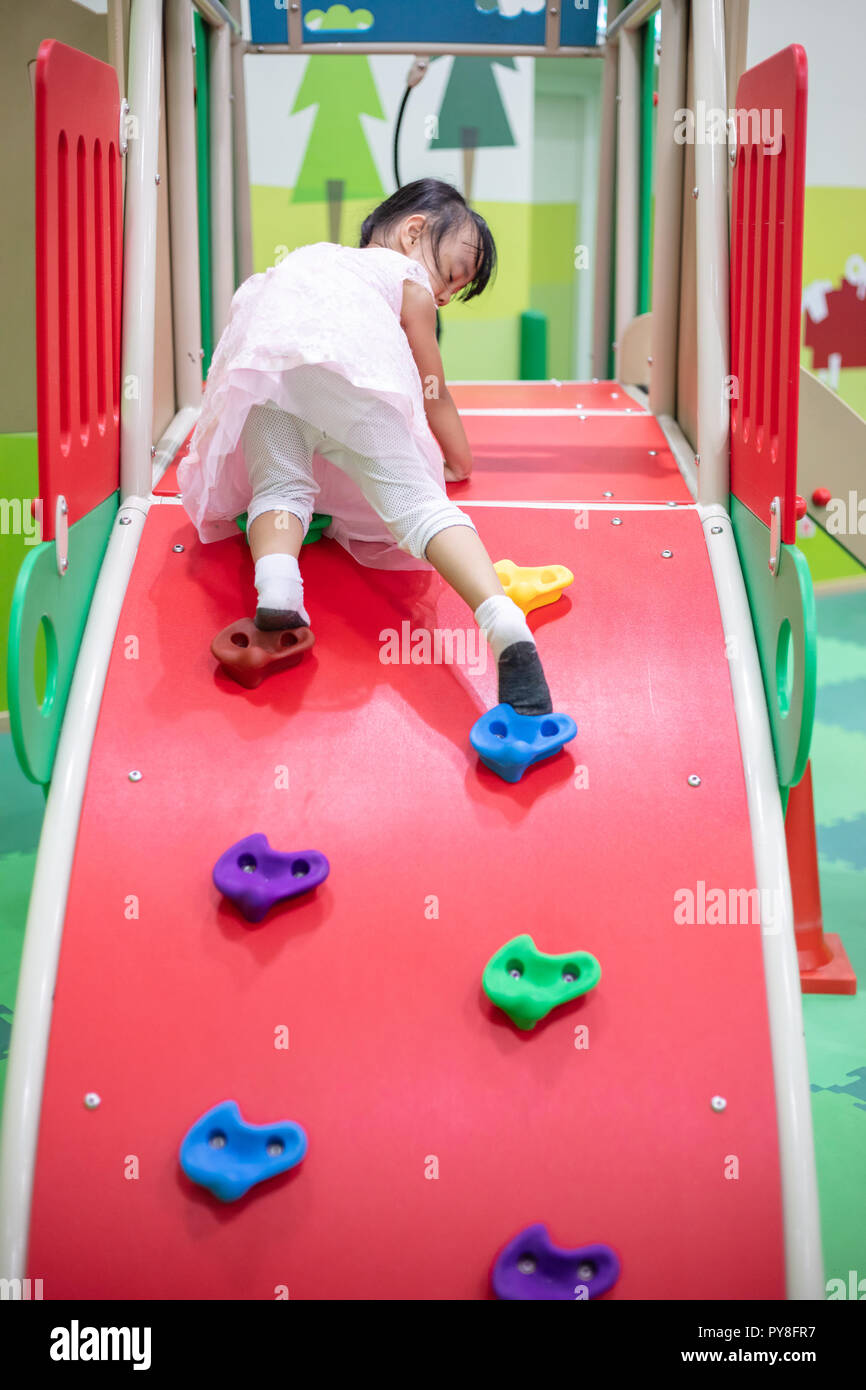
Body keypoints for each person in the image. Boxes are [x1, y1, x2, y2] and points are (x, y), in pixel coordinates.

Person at [178, 178, 552, 716]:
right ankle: (502, 623)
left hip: (265, 371)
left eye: (453, 295)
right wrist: (460, 459)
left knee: (279, 485)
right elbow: (434, 391)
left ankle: (278, 590)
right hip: (342, 379)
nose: (444, 296)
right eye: (450, 277)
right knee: (417, 506)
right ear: (414, 230)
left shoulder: (310, 263)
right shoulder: (405, 281)